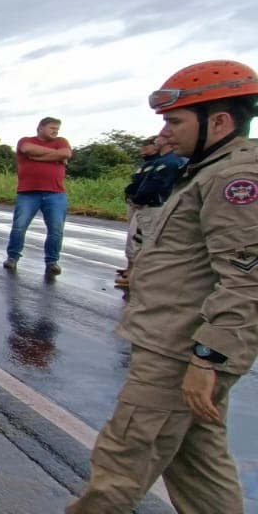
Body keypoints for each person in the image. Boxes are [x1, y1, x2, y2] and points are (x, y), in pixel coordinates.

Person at [67, 59, 258, 513]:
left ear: (220, 121)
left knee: (120, 466)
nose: (165, 133)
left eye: (175, 121)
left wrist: (206, 358)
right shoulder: (206, 170)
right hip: (176, 343)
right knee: (199, 470)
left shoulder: (235, 179)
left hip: (179, 352)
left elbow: (247, 278)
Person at [3, 117, 72, 276]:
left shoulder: (61, 141)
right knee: (19, 226)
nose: (55, 131)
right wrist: (56, 155)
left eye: (57, 129)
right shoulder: (25, 140)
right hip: (28, 193)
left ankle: (52, 262)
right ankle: (12, 257)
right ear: (40, 128)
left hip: (55, 193)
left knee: (56, 229)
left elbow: (67, 153)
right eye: (52, 128)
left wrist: (39, 157)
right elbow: (28, 150)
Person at [117, 134, 186, 288]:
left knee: (143, 240)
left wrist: (139, 199)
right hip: (145, 204)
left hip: (153, 205)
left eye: (159, 139)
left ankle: (138, 277)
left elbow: (158, 186)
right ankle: (134, 273)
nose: (156, 141)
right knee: (137, 239)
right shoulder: (159, 162)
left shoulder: (170, 162)